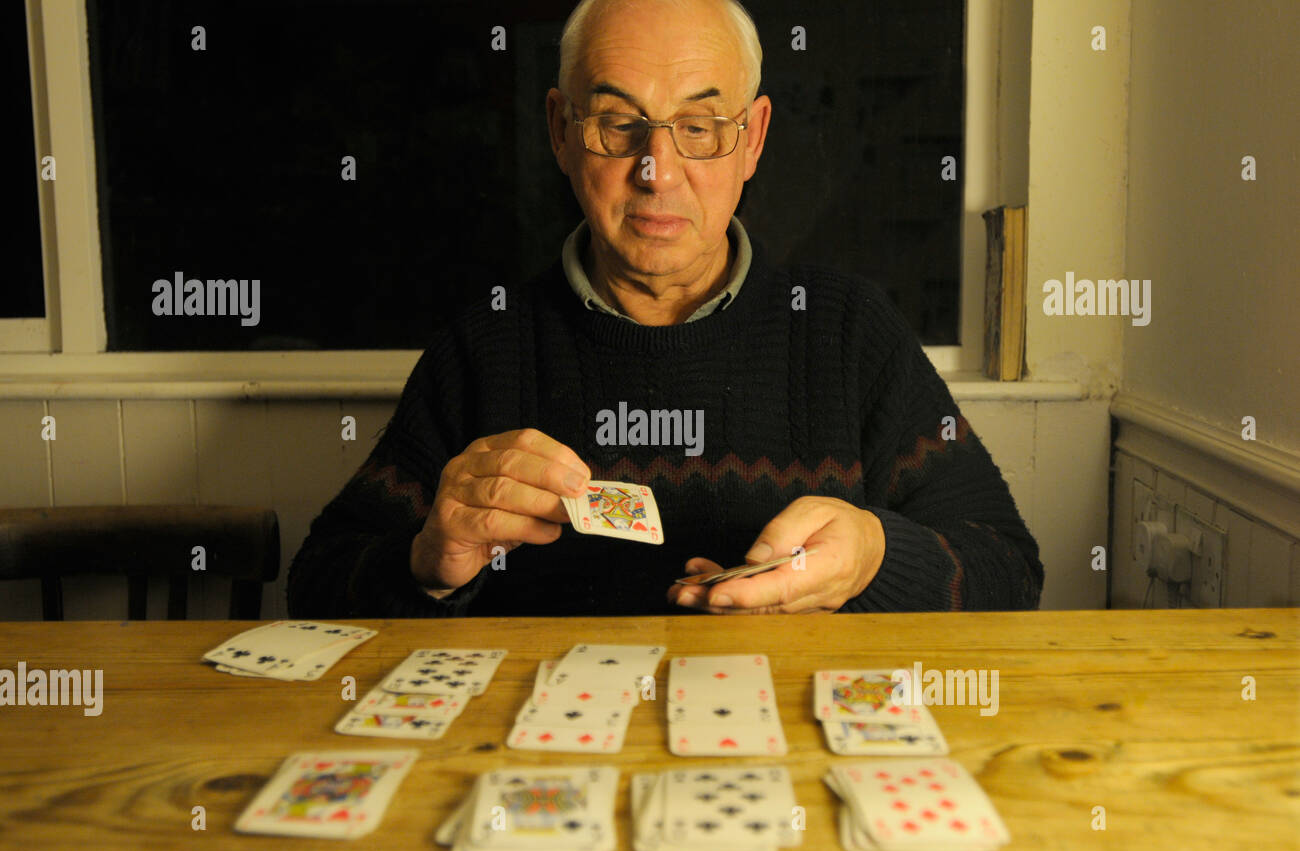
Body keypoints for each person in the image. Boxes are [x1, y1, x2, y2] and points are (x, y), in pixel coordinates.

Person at [287, 0, 1043, 617]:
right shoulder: (482, 349)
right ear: (559, 130)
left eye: (700, 128)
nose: (658, 172)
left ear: (752, 142)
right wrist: (427, 562)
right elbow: (316, 587)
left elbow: (1010, 570)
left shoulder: (850, 334)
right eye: (619, 124)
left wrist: (877, 558)